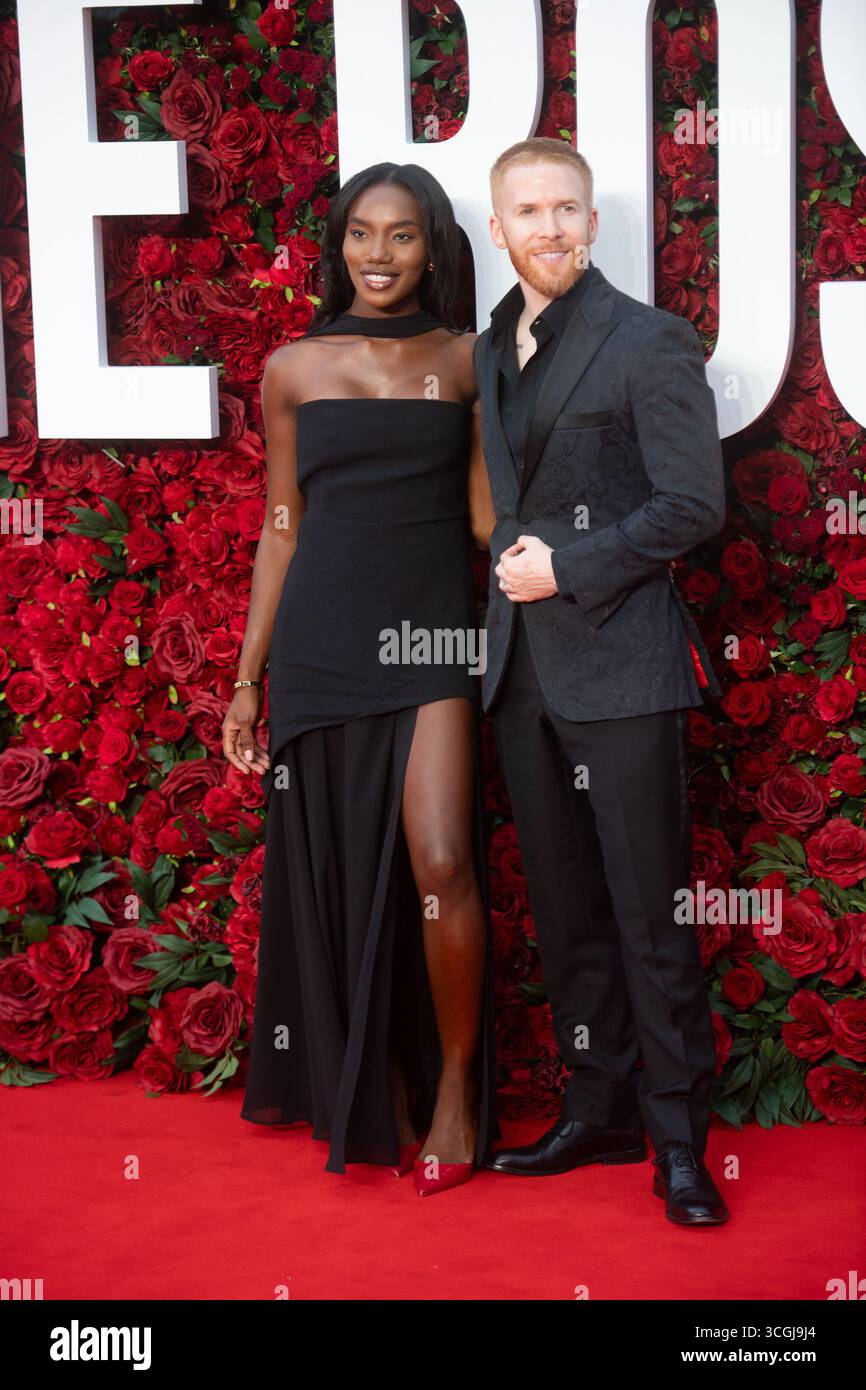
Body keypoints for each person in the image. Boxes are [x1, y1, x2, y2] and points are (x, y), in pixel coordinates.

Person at [226, 162, 499, 1197]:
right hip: (320, 638)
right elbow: (279, 528)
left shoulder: (469, 361)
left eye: (401, 236)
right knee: (341, 869)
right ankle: (368, 1078)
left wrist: (586, 556)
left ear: (433, 247)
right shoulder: (292, 366)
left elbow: (480, 520)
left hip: (432, 633)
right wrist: (249, 676)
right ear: (337, 245)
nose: (378, 256)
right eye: (359, 234)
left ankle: (457, 1090)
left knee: (440, 859)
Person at [474, 137, 730, 1226]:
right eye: (527, 210)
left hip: (620, 662)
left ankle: (679, 1143)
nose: (548, 228)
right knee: (569, 912)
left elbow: (690, 505)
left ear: (591, 220)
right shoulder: (488, 346)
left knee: (646, 914)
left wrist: (566, 565)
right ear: (498, 229)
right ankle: (600, 1107)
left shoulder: (646, 340)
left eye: (565, 209)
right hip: (519, 674)